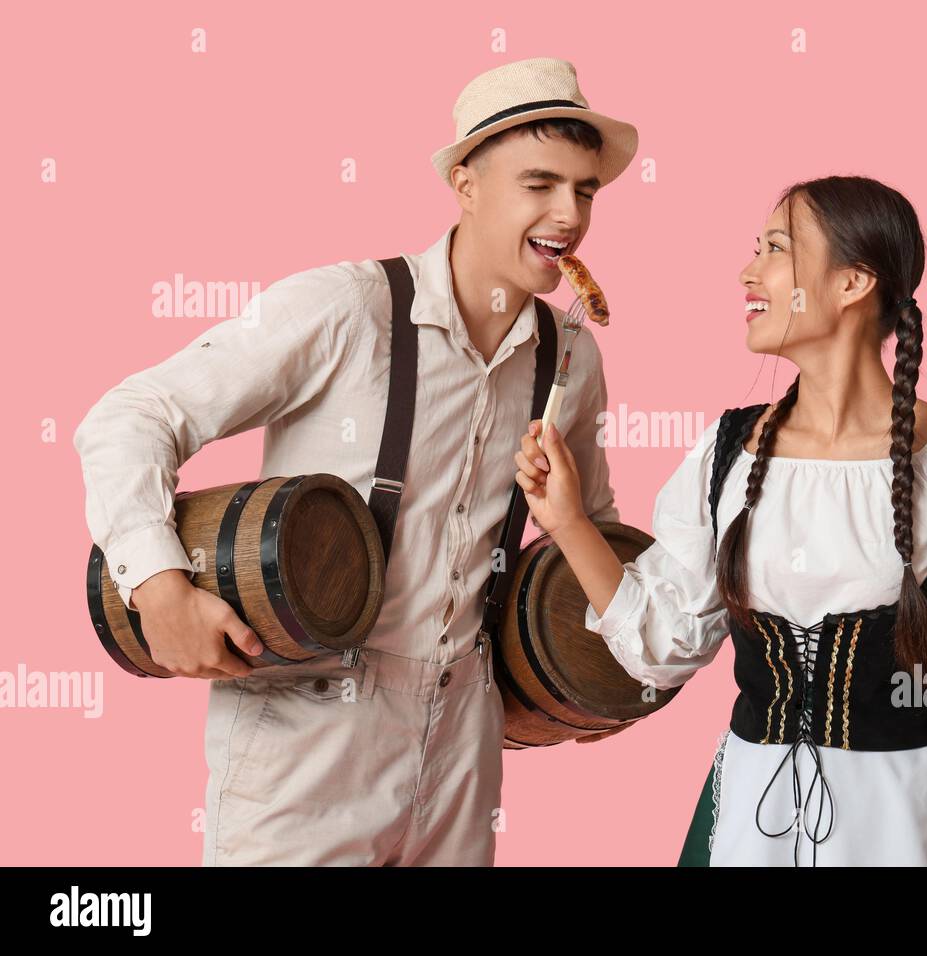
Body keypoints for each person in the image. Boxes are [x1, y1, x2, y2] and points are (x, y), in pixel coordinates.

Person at [73, 57, 638, 865]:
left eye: (585, 190)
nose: (569, 214)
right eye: (539, 184)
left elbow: (592, 537)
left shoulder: (571, 357)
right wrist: (157, 584)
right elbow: (130, 417)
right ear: (467, 184)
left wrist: (590, 683)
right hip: (305, 736)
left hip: (461, 742)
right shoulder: (347, 309)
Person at [513, 175, 927, 866]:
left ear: (852, 283)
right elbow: (665, 645)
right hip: (753, 815)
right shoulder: (727, 452)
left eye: (774, 248)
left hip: (906, 810)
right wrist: (569, 522)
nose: (748, 271)